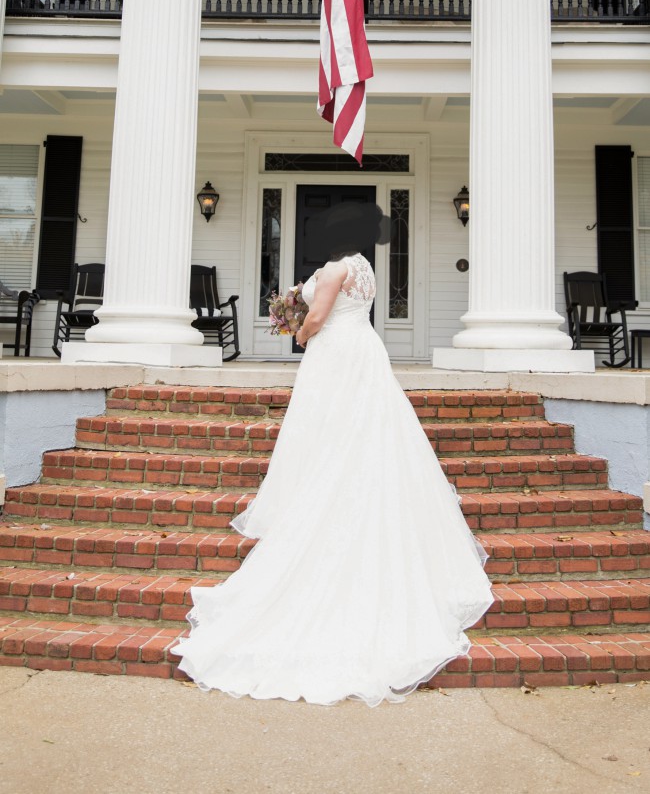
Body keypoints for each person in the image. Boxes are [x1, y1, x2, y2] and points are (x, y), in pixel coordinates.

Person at [171, 202, 494, 706]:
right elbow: (338, 306)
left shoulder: (334, 268)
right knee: (363, 426)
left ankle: (323, 493)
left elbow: (318, 317)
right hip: (364, 348)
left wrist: (297, 334)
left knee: (326, 429)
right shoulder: (363, 267)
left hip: (334, 353)